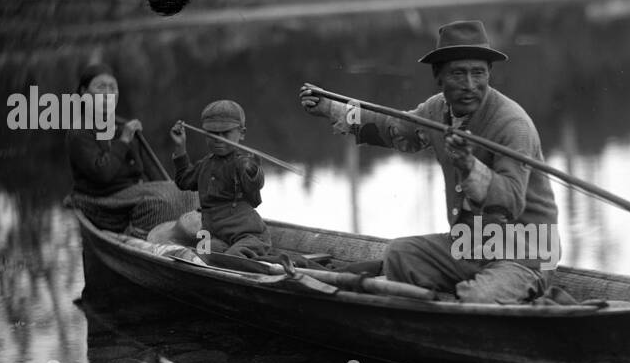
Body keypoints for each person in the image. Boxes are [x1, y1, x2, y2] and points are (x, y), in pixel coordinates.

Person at [299, 20, 561, 303]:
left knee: (478, 299)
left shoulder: (513, 125)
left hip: (526, 253)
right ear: (439, 76)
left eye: (478, 73)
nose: (470, 85)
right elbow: (393, 128)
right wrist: (330, 108)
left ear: (490, 74)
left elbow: (510, 202)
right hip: (469, 247)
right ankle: (457, 296)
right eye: (458, 74)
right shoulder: (436, 110)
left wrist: (471, 168)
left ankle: (471, 298)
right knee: (399, 255)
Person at [66, 62, 196, 235]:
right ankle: (136, 233)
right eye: (100, 88)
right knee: (159, 204)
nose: (107, 94)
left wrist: (172, 188)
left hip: (131, 192)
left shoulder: (122, 125)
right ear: (84, 92)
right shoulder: (79, 132)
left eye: (112, 88)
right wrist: (124, 140)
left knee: (189, 194)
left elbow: (150, 170)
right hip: (102, 198)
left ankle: (176, 236)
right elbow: (103, 174)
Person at [169, 100, 273, 260]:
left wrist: (252, 169)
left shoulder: (242, 162)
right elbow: (183, 180)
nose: (219, 139)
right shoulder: (205, 164)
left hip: (249, 237)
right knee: (200, 256)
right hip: (215, 236)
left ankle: (270, 263)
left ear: (242, 133)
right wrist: (180, 147)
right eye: (213, 133)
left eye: (225, 133)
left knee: (233, 257)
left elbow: (254, 182)